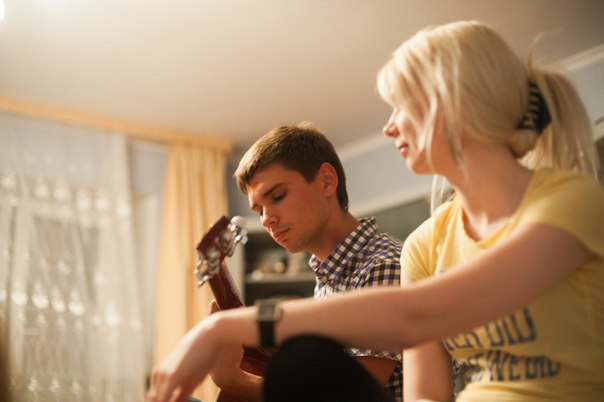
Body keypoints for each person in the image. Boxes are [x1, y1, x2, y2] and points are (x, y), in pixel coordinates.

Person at [147, 20, 604, 402]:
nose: (388, 127)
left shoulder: (573, 201)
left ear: (454, 101)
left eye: (401, 106)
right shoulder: (425, 244)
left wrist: (227, 330)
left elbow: (417, 314)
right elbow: (427, 396)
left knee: (302, 360)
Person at [207, 123, 403, 401]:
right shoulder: (328, 278)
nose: (266, 219)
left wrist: (236, 381)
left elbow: (349, 396)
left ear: (326, 181)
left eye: (277, 196)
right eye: (259, 210)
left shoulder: (382, 267)